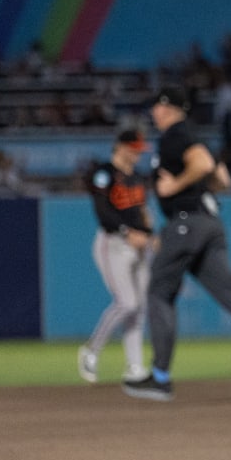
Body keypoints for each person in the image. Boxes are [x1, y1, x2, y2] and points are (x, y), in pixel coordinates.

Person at [124, 86, 231, 403]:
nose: (154, 113)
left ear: (171, 108)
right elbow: (222, 180)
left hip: (186, 222)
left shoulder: (176, 134)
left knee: (159, 293)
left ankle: (159, 378)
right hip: (209, 224)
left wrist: (176, 183)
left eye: (158, 107)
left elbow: (202, 164)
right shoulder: (194, 134)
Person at [78, 129, 155, 385]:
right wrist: (127, 231)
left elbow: (141, 210)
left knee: (140, 307)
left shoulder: (137, 177)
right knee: (127, 303)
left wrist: (149, 233)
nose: (137, 155)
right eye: (134, 150)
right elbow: (102, 212)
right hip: (113, 243)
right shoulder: (104, 173)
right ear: (121, 147)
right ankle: (91, 350)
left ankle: (135, 367)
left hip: (138, 245)